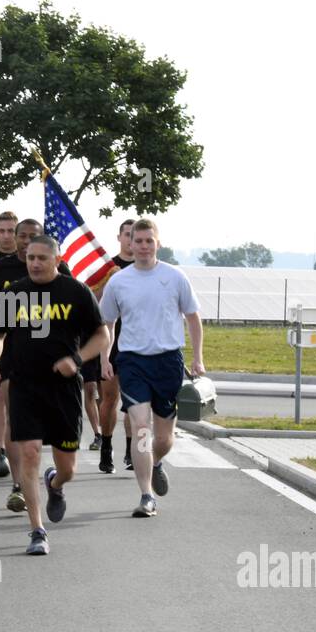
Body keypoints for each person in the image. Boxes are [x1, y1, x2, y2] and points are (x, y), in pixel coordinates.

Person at [0, 234, 110, 555]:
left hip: (64, 388)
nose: (36, 263)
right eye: (30, 258)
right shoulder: (15, 293)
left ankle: (55, 483)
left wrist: (78, 359)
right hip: (25, 385)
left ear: (57, 259)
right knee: (28, 453)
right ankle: (36, 530)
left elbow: (101, 335)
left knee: (68, 468)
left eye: (42, 258)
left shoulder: (76, 291)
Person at [98, 218, 204, 518]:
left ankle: (157, 461)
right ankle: (146, 495)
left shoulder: (174, 277)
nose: (143, 246)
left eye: (149, 240)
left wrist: (198, 358)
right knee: (140, 425)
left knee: (163, 437)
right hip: (132, 362)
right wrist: (105, 357)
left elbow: (193, 318)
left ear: (158, 243)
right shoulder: (119, 280)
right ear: (129, 243)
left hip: (168, 360)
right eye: (138, 240)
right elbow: (108, 322)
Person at [0, 218, 72, 510]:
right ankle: (14, 474)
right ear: (15, 239)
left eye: (34, 237)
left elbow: (71, 302)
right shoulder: (0, 267)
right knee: (4, 401)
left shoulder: (58, 270)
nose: (28, 243)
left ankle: (48, 474)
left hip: (47, 357)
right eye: (23, 237)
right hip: (7, 346)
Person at [97, 218, 135, 473]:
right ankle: (106, 445)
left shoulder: (147, 269)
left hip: (136, 345)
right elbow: (95, 301)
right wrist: (109, 280)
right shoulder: (108, 268)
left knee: (134, 401)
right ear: (119, 237)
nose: (132, 240)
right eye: (128, 235)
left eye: (137, 235)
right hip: (110, 342)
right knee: (109, 398)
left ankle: (132, 452)